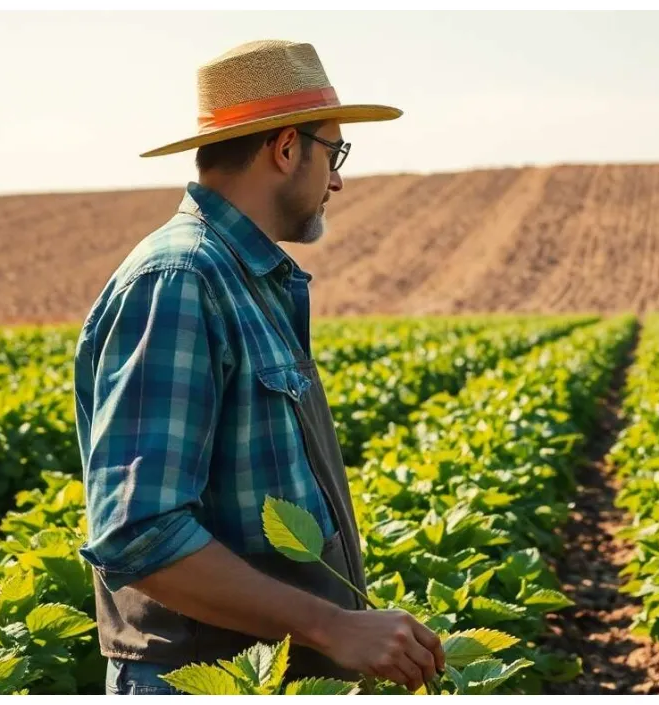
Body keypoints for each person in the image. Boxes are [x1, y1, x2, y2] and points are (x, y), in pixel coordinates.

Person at [72, 39, 445, 695]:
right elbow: (138, 530)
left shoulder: (247, 277)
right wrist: (333, 625)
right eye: (336, 153)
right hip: (205, 681)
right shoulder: (183, 277)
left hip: (270, 675)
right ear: (285, 148)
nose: (338, 180)